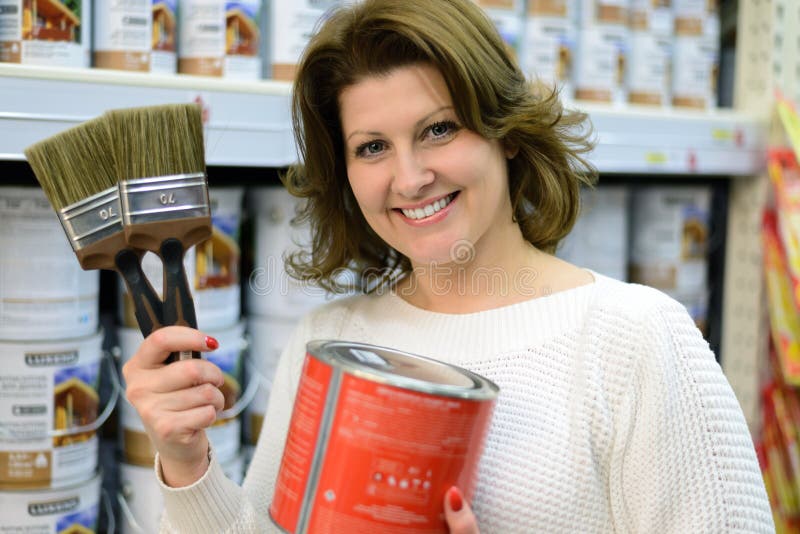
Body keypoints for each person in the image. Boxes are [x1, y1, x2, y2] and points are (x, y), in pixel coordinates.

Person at [122, 0, 774, 532]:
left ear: (507, 132)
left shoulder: (633, 337)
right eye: (373, 146)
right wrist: (186, 460)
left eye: (438, 130)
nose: (411, 177)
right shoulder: (328, 342)